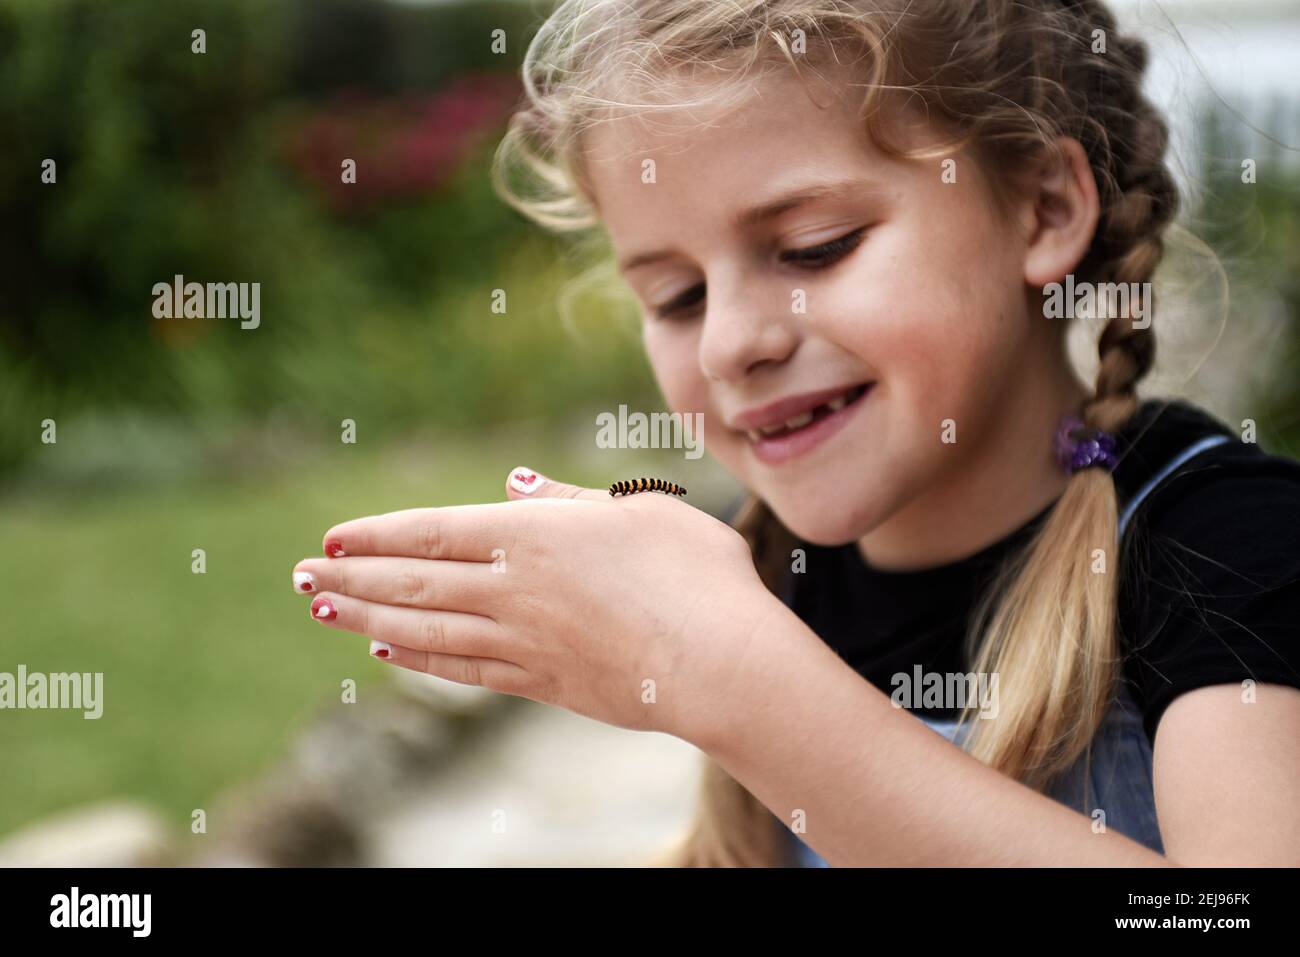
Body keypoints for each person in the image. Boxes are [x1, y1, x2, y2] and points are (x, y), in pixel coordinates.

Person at [291, 0, 1300, 866]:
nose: (732, 342)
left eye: (815, 249)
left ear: (1041, 209)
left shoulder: (1227, 544)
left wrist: (742, 691)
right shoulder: (773, 571)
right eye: (677, 296)